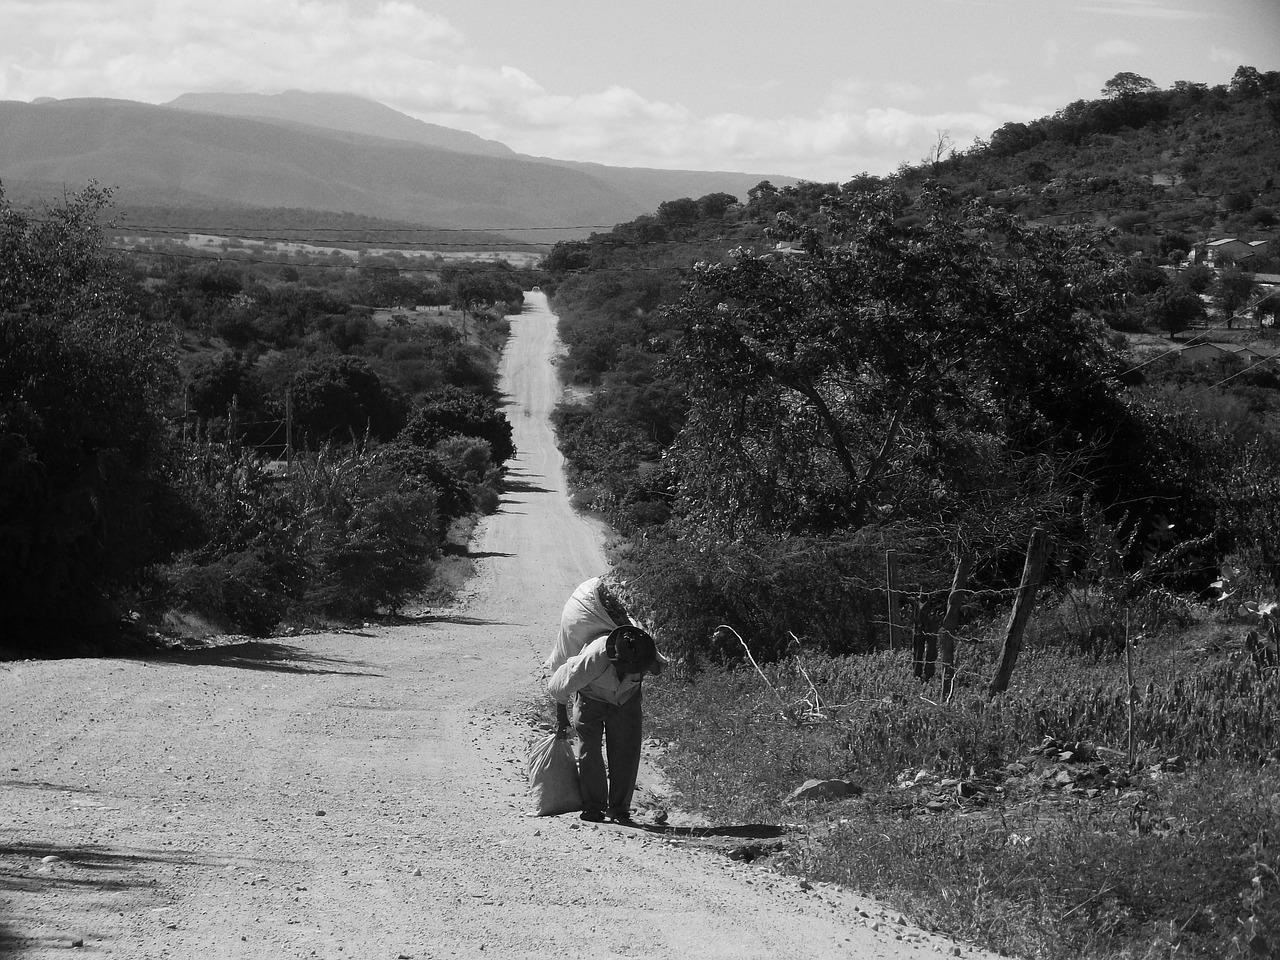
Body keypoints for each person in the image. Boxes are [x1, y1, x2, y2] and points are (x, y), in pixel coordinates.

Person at [548, 623, 664, 823]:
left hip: (627, 701)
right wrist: (562, 718)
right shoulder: (595, 657)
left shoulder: (645, 650)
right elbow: (559, 685)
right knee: (589, 751)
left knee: (627, 753)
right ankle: (593, 807)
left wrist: (650, 665)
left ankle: (619, 810)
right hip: (590, 701)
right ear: (613, 658)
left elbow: (659, 667)